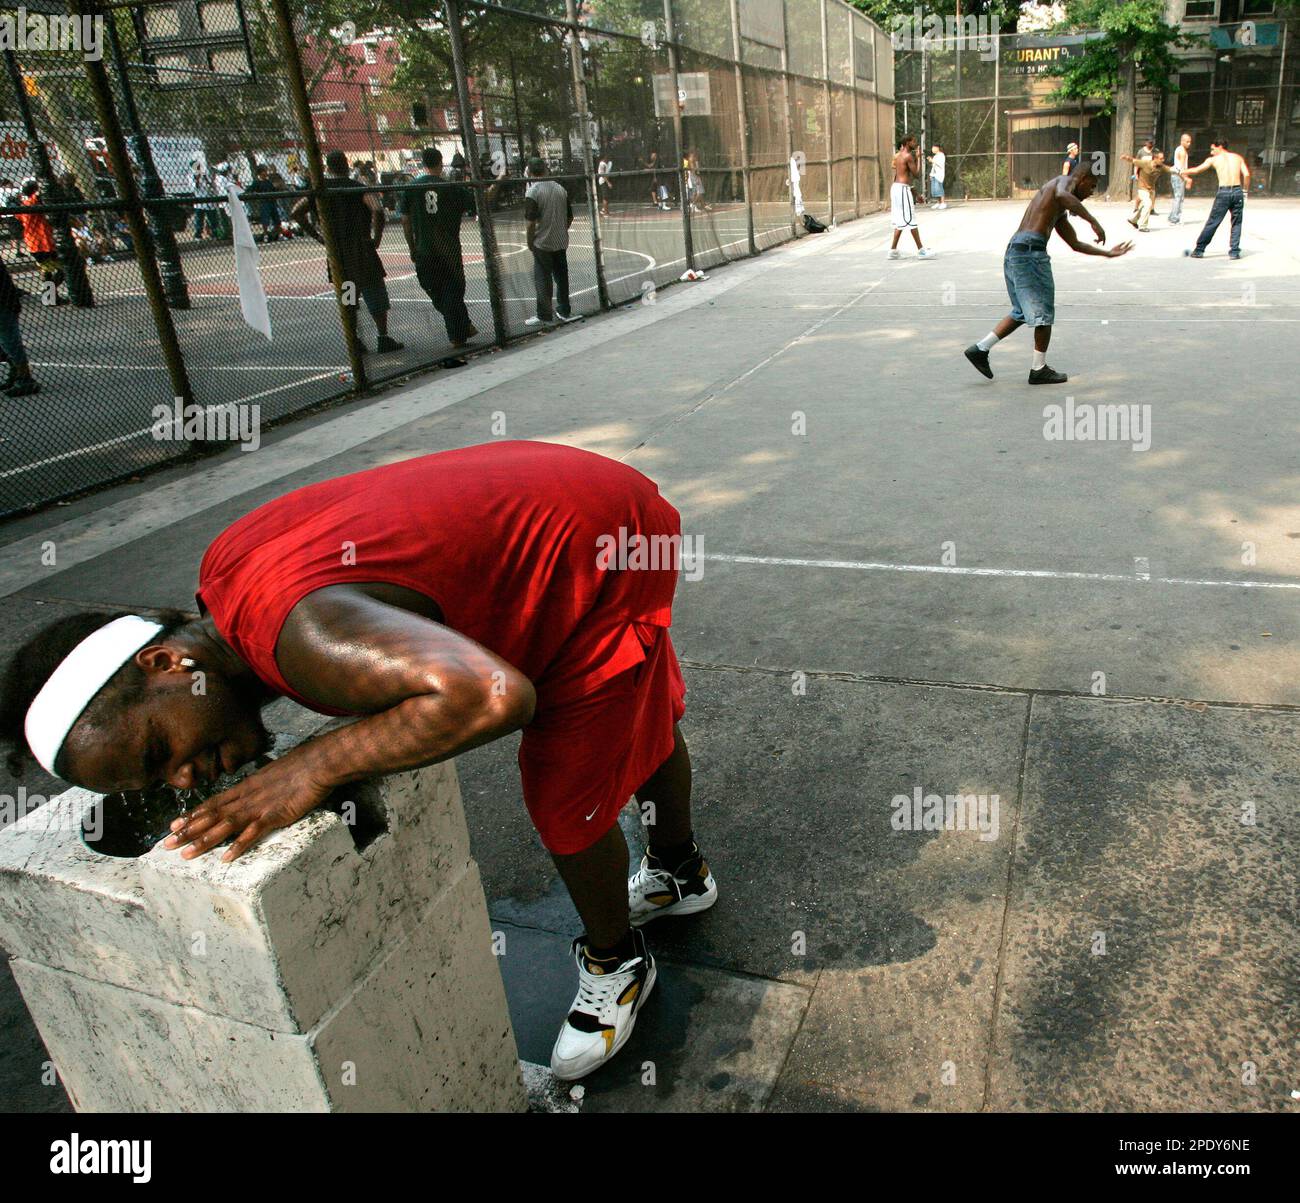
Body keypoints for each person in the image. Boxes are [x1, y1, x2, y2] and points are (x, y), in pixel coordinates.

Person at [0, 441, 717, 1082]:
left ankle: (618, 961)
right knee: (638, 700)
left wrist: (310, 766)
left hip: (599, 546)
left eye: (160, 752)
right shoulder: (222, 579)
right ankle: (679, 872)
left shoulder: (301, 637)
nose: (184, 780)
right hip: (576, 500)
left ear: (164, 661)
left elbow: (494, 696)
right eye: (159, 782)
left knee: (566, 795)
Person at [963, 160, 1132, 385]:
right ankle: (1038, 368)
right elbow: (1065, 195)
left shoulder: (1056, 205)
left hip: (1017, 250)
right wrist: (1093, 221)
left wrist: (1107, 254)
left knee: (1021, 312)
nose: (1092, 192)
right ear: (1081, 179)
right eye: (1092, 186)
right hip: (1030, 254)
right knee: (1043, 312)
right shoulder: (1062, 184)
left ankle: (980, 349)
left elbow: (1075, 243)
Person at [291, 149, 404, 353]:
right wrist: (375, 238)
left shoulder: (320, 190)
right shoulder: (357, 187)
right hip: (361, 249)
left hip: (339, 253)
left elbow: (296, 211)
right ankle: (382, 336)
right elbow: (377, 210)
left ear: (328, 167)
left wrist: (318, 236)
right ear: (346, 165)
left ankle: (356, 340)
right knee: (374, 293)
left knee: (348, 297)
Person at [397, 146, 477, 349]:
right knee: (452, 289)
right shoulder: (450, 187)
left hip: (425, 248)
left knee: (435, 287)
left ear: (423, 164)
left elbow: (405, 221)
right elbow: (473, 204)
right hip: (448, 248)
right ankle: (462, 326)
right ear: (440, 163)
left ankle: (458, 333)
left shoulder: (412, 187)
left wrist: (411, 246)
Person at [524, 157, 579, 327]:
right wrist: (561, 230)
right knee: (561, 277)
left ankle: (544, 314)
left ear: (530, 172)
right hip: (560, 240)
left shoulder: (533, 191)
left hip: (542, 242)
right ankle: (564, 310)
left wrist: (530, 241)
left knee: (542, 278)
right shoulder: (560, 189)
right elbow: (569, 217)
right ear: (546, 169)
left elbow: (530, 222)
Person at [1181, 137, 1250, 260]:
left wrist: (1182, 171)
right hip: (1238, 191)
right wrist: (1245, 191)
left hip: (1224, 192)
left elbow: (1197, 170)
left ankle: (1199, 250)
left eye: (1213, 149)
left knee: (1213, 222)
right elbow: (1247, 174)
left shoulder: (1213, 160)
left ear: (1220, 147)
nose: (1211, 152)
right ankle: (1234, 252)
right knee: (1236, 223)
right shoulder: (1238, 158)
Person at [888, 135, 936, 260]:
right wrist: (919, 158)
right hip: (902, 190)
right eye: (913, 141)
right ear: (907, 142)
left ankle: (893, 251)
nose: (915, 143)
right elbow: (916, 175)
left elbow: (904, 177)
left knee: (900, 220)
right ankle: (921, 250)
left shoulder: (898, 155)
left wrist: (915, 194)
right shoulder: (908, 156)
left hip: (896, 189)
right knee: (910, 219)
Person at [17, 180, 64, 302]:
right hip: (42, 243)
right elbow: (37, 196)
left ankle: (52, 298)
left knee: (47, 270)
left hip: (35, 244)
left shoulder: (23, 205)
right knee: (63, 268)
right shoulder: (31, 203)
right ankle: (48, 293)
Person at [0, 258, 39, 396]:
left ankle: (24, 378)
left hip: (4, 302)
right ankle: (17, 372)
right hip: (7, 300)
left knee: (9, 341)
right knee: (7, 342)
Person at [1120, 149, 1173, 232]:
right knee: (1148, 204)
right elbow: (1133, 160)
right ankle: (1142, 226)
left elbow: (1171, 169)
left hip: (1151, 189)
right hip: (1142, 188)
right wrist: (1125, 157)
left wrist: (1183, 174)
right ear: (1155, 158)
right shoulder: (1145, 163)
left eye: (1163, 158)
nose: (1163, 160)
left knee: (1144, 206)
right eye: (1161, 158)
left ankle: (1134, 220)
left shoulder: (1161, 167)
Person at [245, 165, 281, 244]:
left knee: (277, 219)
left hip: (272, 202)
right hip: (264, 203)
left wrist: (277, 187)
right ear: (260, 173)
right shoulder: (257, 182)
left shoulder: (268, 182)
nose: (266, 173)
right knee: (265, 220)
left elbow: (273, 190)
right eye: (264, 171)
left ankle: (276, 234)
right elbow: (249, 190)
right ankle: (265, 234)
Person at [1169, 133, 1192, 224]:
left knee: (1178, 197)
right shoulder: (1182, 151)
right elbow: (1181, 167)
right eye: (1187, 141)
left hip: (1176, 175)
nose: (1189, 143)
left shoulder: (1179, 149)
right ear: (1182, 141)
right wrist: (1186, 178)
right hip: (1178, 176)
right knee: (1179, 197)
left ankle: (1172, 216)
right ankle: (1174, 219)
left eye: (1190, 142)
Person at [929, 144, 947, 209]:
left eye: (933, 148)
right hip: (934, 175)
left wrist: (932, 160)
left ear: (937, 148)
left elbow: (940, 164)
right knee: (935, 190)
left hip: (939, 175)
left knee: (939, 188)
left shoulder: (941, 155)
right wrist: (931, 174)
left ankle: (943, 203)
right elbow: (934, 166)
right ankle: (938, 203)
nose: (932, 149)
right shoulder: (935, 156)